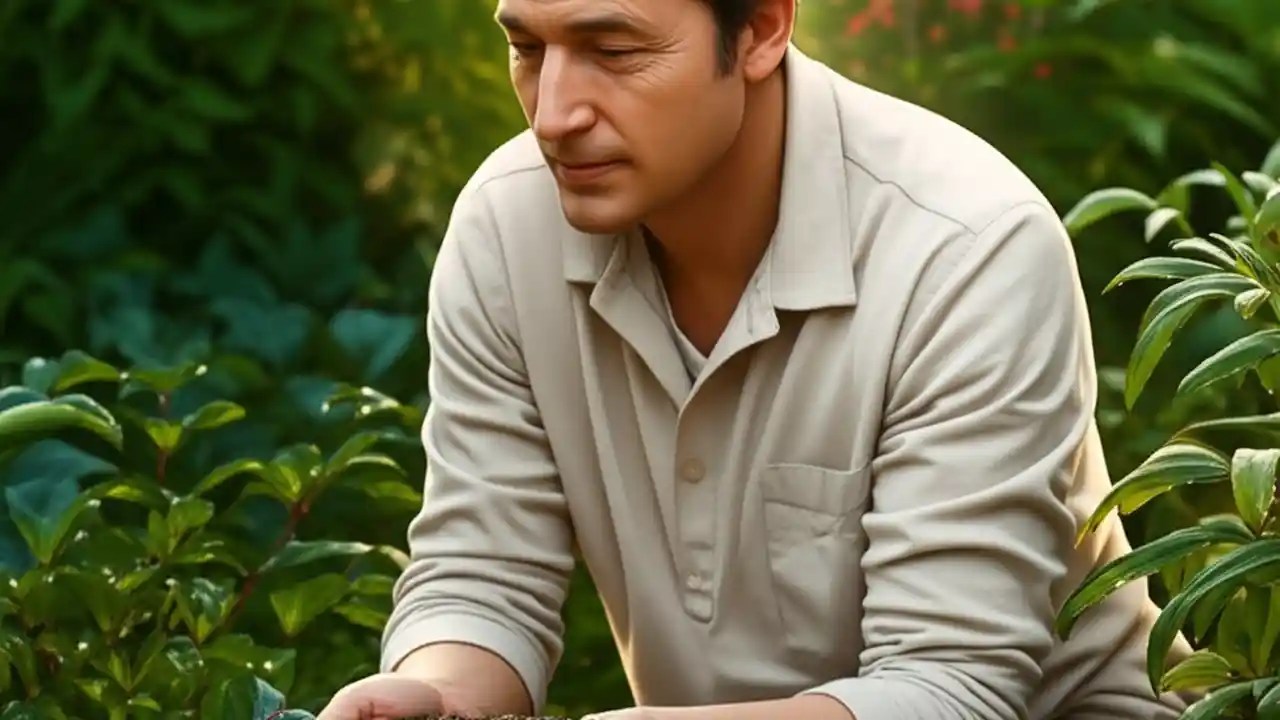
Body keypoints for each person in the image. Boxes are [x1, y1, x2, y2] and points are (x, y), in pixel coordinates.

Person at [318, 0, 1195, 718]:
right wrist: (431, 694)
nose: (553, 114)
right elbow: (484, 578)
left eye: (613, 50)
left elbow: (950, 688)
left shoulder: (967, 247)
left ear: (765, 29)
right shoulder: (508, 227)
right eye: (525, 47)